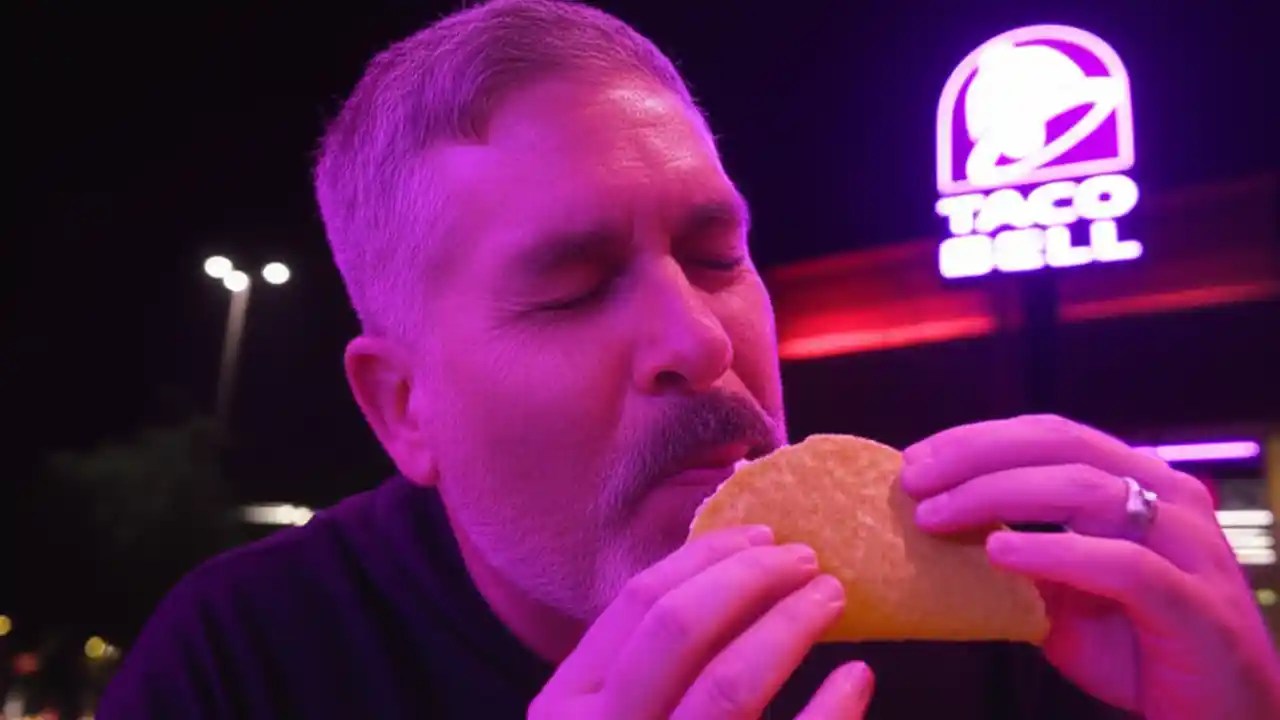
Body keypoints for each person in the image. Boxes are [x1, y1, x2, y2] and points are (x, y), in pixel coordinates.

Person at [98, 1, 1279, 717]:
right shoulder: (246, 664)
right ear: (404, 408)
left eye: (717, 257)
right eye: (571, 290)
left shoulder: (1001, 631)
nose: (701, 340)